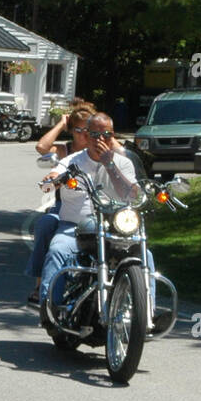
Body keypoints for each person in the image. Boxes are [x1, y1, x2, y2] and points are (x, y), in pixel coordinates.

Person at [38, 113, 143, 311]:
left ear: (113, 136)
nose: (101, 140)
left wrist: (109, 164)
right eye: (95, 135)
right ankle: (50, 307)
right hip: (74, 227)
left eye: (106, 135)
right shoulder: (72, 161)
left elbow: (131, 195)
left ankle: (146, 313)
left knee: (146, 256)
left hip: (115, 229)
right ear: (85, 136)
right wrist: (52, 179)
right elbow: (50, 181)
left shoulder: (123, 163)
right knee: (57, 250)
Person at [27, 103, 95, 304]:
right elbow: (42, 147)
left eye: (88, 130)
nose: (84, 134)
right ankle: (41, 285)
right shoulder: (67, 151)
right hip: (64, 207)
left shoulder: (104, 151)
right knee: (45, 224)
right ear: (72, 131)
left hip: (98, 209)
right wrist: (61, 124)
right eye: (78, 129)